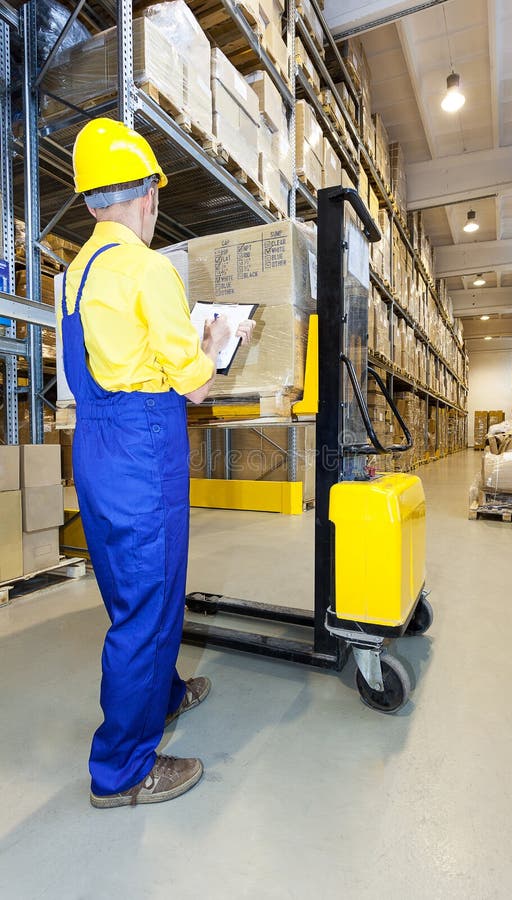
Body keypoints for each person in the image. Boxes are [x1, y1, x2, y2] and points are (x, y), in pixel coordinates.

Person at [59, 118, 255, 809]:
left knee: (130, 591)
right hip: (143, 449)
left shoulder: (74, 274)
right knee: (150, 602)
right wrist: (218, 338)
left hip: (96, 447)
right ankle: (121, 771)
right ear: (147, 196)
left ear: (91, 200)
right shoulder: (150, 270)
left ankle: (162, 693)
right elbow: (195, 384)